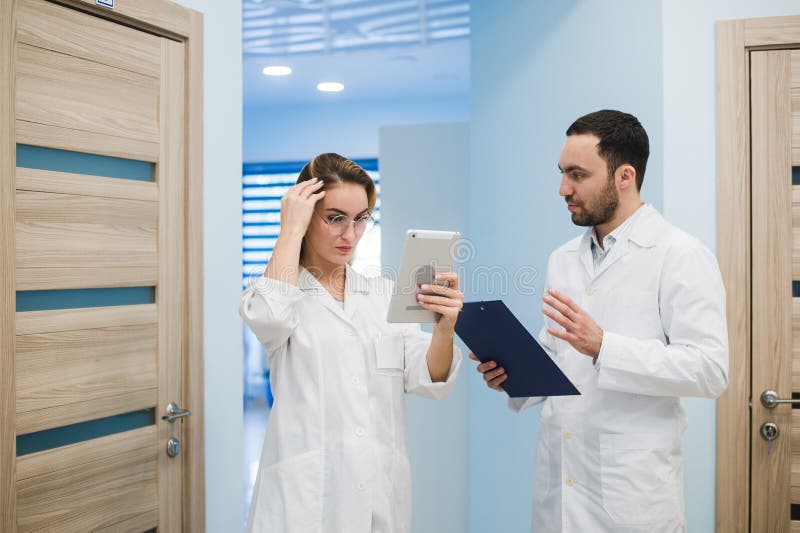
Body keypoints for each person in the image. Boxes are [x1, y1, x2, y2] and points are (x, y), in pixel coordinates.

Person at [471, 110, 729, 532]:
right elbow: (560, 357)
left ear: (624, 176)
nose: (562, 189)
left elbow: (711, 370)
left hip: (632, 497)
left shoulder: (679, 254)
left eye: (577, 174)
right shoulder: (563, 259)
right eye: (561, 173)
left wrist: (605, 346)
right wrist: (513, 373)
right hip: (561, 487)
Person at [240, 153, 463, 533]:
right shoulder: (280, 294)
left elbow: (428, 378)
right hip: (304, 504)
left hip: (379, 496)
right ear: (305, 214)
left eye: (361, 219)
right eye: (335, 218)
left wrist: (444, 329)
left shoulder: (382, 295)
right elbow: (270, 317)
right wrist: (289, 230)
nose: (351, 235)